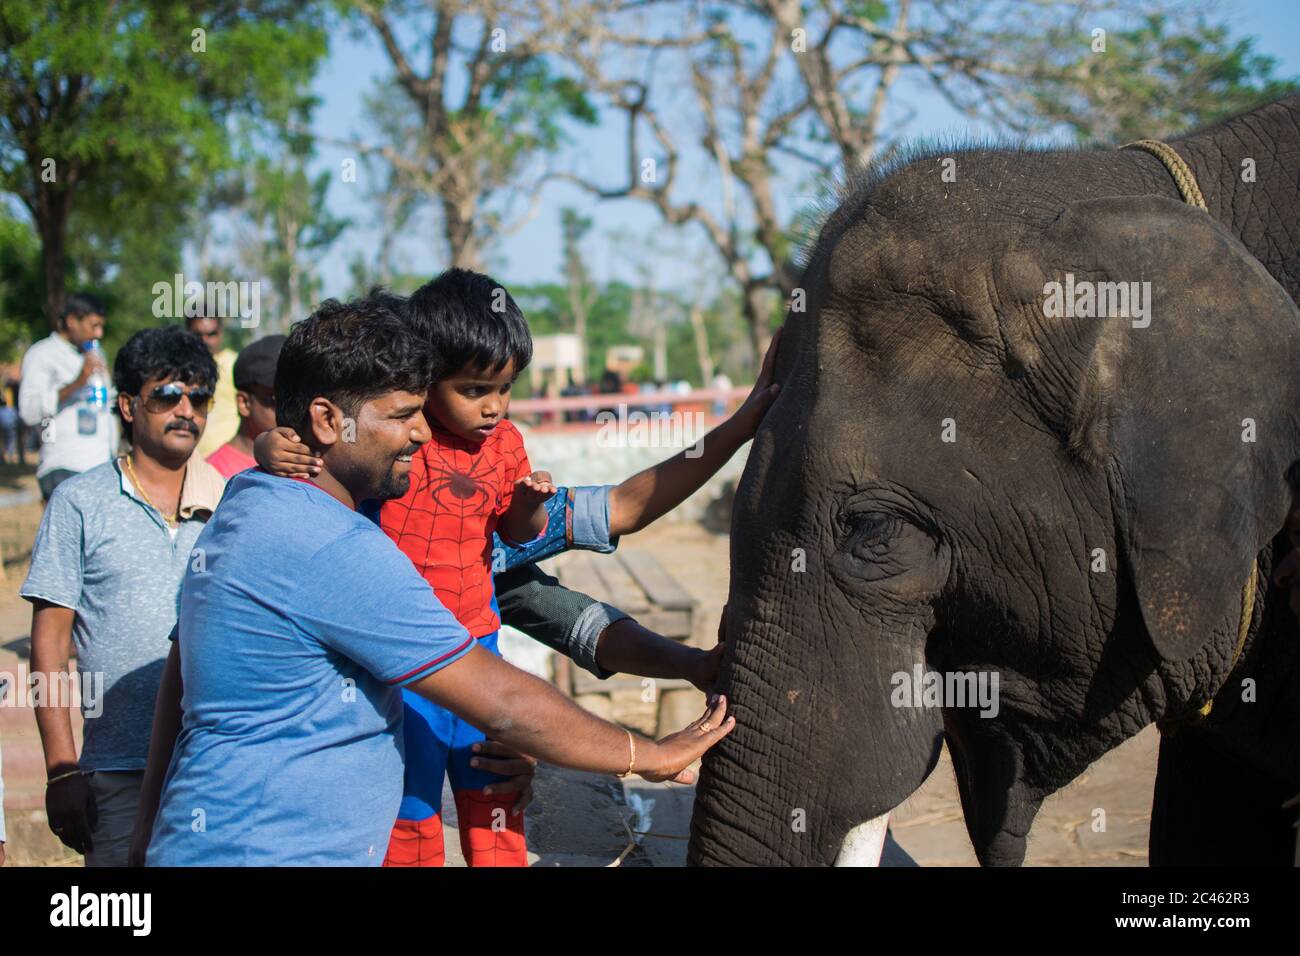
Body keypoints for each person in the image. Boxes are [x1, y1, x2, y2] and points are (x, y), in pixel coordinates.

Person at [136, 293, 731, 867]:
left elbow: (180, 672)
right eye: (403, 416)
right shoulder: (346, 547)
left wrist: (146, 832)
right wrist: (644, 754)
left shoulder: (246, 500)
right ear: (325, 421)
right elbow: (503, 701)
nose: (423, 435)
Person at [21, 326, 223, 866]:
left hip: (212, 767)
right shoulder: (80, 503)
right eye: (168, 395)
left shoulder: (230, 505)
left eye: (199, 396)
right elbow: (50, 643)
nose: (187, 410)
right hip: (114, 769)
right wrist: (63, 768)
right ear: (129, 405)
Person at [18, 293, 119, 501]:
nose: (99, 334)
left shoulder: (96, 355)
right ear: (72, 321)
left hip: (101, 465)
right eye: (94, 326)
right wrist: (77, 382)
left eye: (101, 327)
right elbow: (28, 411)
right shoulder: (43, 353)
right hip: (65, 465)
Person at [205, 334, 284, 479]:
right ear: (244, 403)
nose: (289, 409)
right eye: (276, 399)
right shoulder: (213, 475)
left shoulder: (307, 464)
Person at [187, 313, 238, 460]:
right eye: (198, 335)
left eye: (211, 334)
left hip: (228, 463)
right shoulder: (180, 370)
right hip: (191, 460)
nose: (205, 340)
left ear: (220, 333)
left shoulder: (235, 364)